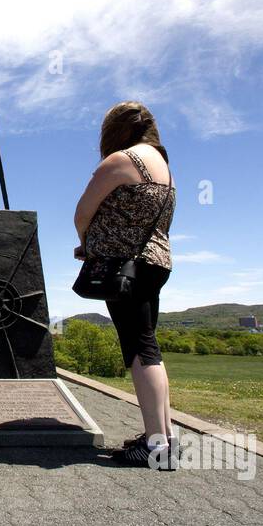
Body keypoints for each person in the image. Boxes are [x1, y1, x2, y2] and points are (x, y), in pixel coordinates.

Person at [73, 102, 178, 469]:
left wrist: (87, 245)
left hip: (124, 268)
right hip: (155, 263)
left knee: (138, 349)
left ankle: (155, 446)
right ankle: (163, 436)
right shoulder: (164, 168)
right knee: (150, 347)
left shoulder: (122, 161)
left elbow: (83, 211)